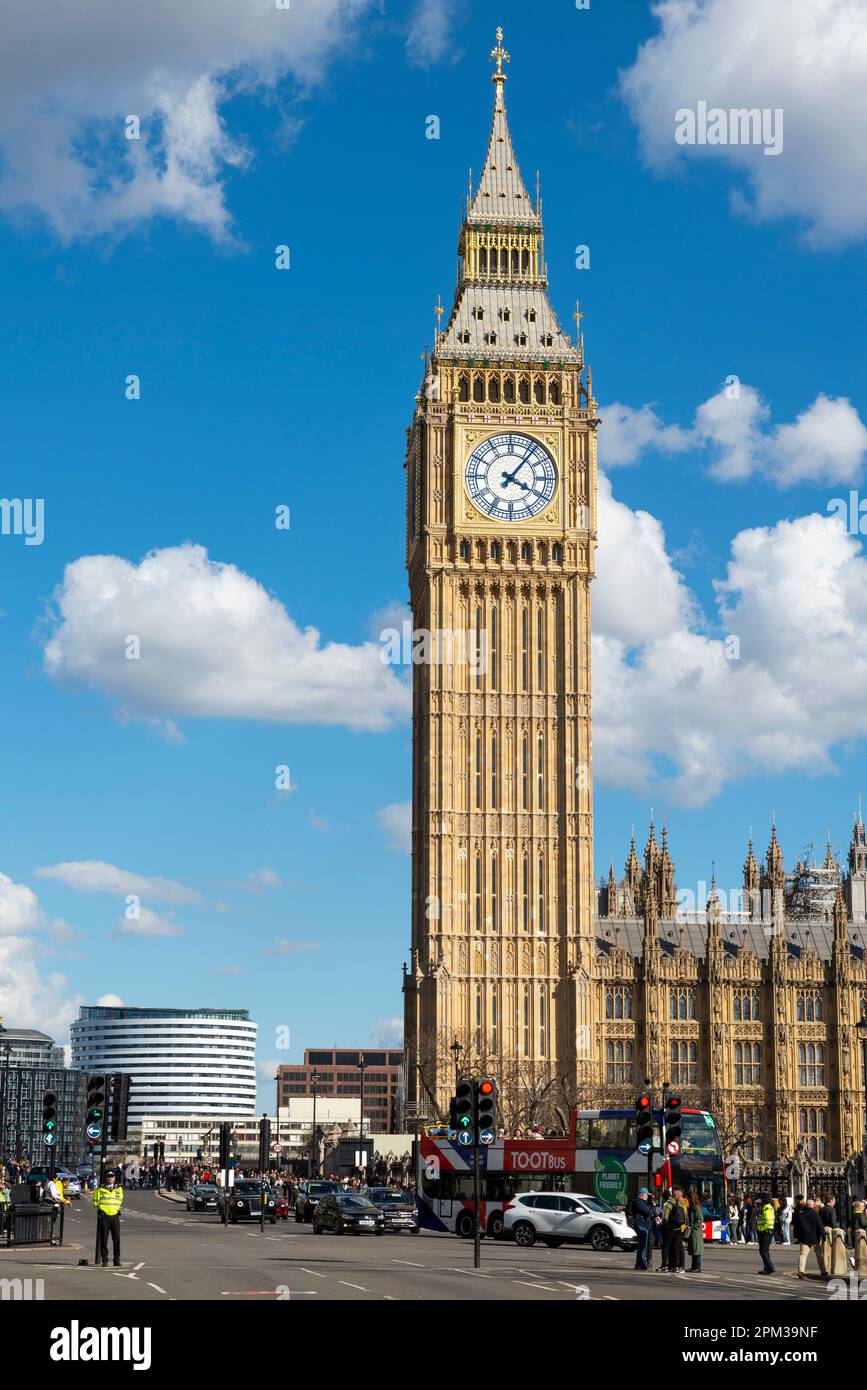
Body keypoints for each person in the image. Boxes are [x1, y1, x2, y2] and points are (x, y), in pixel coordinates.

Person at [93, 1170, 124, 1267]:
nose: (110, 1178)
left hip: (115, 1216)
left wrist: (116, 1209)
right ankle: (105, 1260)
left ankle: (116, 1260)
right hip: (104, 1216)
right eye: (108, 1176)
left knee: (116, 1239)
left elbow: (120, 1199)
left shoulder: (119, 1189)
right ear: (106, 1178)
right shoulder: (100, 1189)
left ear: (115, 1178)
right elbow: (95, 1201)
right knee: (104, 1239)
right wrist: (100, 1210)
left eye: (112, 1176)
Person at [793, 1196, 827, 1279]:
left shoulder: (801, 1214)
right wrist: (823, 1236)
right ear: (812, 1206)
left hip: (804, 1238)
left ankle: (801, 1271)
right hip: (815, 1239)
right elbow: (820, 1226)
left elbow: (796, 1227)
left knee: (803, 1255)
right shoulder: (815, 1214)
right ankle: (823, 1271)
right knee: (819, 1255)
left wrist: (797, 1236)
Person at [660, 1188, 687, 1274]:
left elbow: (665, 1217)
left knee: (666, 1247)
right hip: (678, 1228)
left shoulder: (669, 1204)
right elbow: (685, 1217)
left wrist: (664, 1225)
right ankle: (677, 1265)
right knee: (677, 1247)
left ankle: (664, 1265)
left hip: (669, 1229)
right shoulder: (682, 1205)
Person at [630, 1186, 655, 1271]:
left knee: (643, 1245)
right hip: (641, 1224)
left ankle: (640, 1263)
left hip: (643, 1224)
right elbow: (648, 1212)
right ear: (643, 1194)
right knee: (643, 1245)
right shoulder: (639, 1203)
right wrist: (653, 1206)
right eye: (647, 1195)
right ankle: (640, 1263)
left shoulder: (641, 1202)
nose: (648, 1196)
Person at [756, 1194, 776, 1274]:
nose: (759, 1201)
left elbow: (769, 1220)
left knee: (763, 1251)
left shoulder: (767, 1208)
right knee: (765, 1251)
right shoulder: (764, 1207)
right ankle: (766, 1268)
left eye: (761, 1200)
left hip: (766, 1231)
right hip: (763, 1231)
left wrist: (764, 1229)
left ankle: (770, 1267)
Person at [687, 1190, 704, 1273]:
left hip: (695, 1231)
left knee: (696, 1249)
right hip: (693, 1231)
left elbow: (700, 1219)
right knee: (693, 1249)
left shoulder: (696, 1208)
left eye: (688, 1198)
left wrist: (694, 1227)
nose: (687, 1200)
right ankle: (694, 1267)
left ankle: (697, 1267)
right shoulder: (691, 1207)